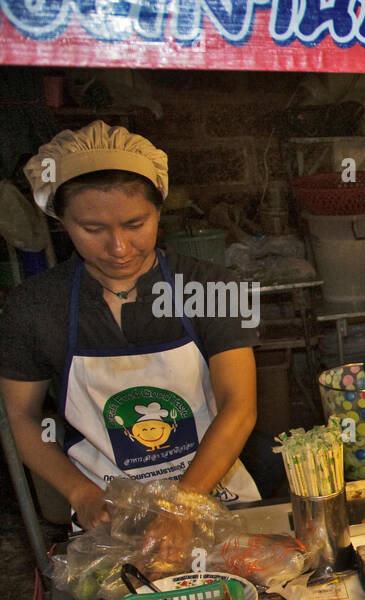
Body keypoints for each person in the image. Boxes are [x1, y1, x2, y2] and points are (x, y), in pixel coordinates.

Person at [0, 121, 263, 530]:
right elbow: (20, 416)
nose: (119, 247)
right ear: (61, 221)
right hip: (106, 513)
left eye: (135, 224)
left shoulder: (214, 287)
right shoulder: (34, 307)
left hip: (215, 498)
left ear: (159, 210)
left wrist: (183, 505)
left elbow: (239, 406)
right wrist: (79, 493)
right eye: (92, 230)